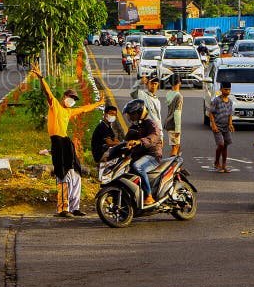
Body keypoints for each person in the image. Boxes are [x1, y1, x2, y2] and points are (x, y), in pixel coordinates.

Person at [31, 63, 104, 218]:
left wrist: (98, 103)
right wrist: (40, 77)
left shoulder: (69, 111)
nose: (71, 101)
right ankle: (63, 208)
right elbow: (48, 92)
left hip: (66, 143)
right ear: (64, 97)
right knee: (62, 175)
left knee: (76, 174)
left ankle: (74, 207)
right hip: (57, 142)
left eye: (74, 99)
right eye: (70, 97)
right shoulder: (55, 106)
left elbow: (84, 109)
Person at [122, 99, 163, 206]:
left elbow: (154, 137)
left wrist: (139, 141)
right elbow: (126, 142)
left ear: (139, 113)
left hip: (152, 155)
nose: (130, 117)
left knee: (137, 166)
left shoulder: (151, 124)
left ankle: (149, 196)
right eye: (129, 114)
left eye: (132, 114)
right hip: (140, 156)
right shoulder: (134, 127)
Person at [209, 81, 235, 172]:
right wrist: (213, 125)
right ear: (221, 89)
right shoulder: (216, 100)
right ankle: (216, 161)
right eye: (225, 89)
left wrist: (231, 124)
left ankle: (224, 165)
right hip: (218, 126)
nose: (227, 91)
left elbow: (230, 114)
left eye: (229, 90)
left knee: (226, 146)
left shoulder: (230, 102)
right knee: (221, 144)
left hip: (226, 127)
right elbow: (211, 112)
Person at [132, 74, 163, 143]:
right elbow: (133, 91)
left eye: (155, 84)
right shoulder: (143, 95)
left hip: (156, 132)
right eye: (152, 83)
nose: (154, 86)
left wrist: (161, 134)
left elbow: (158, 118)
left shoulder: (157, 100)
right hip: (146, 130)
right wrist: (140, 82)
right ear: (147, 84)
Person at [164, 74, 184, 156]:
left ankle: (176, 167)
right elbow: (177, 113)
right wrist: (178, 129)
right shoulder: (179, 96)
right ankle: (172, 166)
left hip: (168, 121)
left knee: (177, 146)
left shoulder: (169, 94)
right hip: (173, 124)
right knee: (175, 147)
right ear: (179, 83)